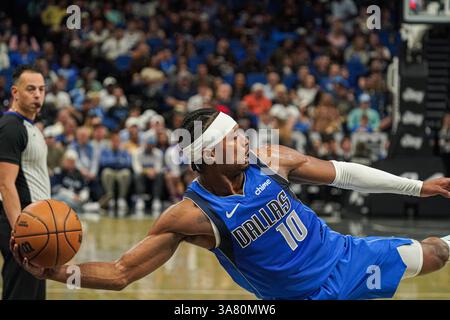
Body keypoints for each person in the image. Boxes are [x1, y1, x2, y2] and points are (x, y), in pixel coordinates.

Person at [11, 109, 450, 300]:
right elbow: (122, 273)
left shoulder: (269, 160)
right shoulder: (190, 215)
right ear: (207, 155)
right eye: (233, 136)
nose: (246, 140)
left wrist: (418, 188)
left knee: (435, 253)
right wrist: (53, 273)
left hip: (347, 257)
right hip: (298, 297)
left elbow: (343, 172)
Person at [0, 64, 50, 299]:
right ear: (15, 92)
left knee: (34, 290)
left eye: (41, 89)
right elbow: (5, 184)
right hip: (21, 223)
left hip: (36, 222)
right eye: (30, 89)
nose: (37, 94)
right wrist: (21, 230)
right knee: (21, 292)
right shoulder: (11, 127)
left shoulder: (30, 127)